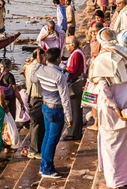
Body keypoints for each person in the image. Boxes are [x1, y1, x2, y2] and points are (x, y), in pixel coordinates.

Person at [91, 28, 127, 189]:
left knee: (111, 146)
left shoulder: (102, 59)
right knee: (125, 145)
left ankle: (114, 182)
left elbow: (103, 88)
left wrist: (114, 106)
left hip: (111, 111)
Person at [34, 47, 73, 179]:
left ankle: (43, 165)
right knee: (52, 139)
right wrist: (69, 117)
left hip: (45, 107)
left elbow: (33, 79)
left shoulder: (41, 70)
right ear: (57, 59)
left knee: (47, 136)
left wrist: (39, 63)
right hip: (56, 109)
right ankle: (47, 168)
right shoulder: (59, 76)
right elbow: (65, 97)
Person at [63, 36, 87, 140]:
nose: (66, 46)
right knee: (75, 108)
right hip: (76, 82)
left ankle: (74, 133)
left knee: (75, 109)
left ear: (72, 45)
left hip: (76, 83)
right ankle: (75, 131)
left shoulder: (76, 54)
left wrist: (64, 68)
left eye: (67, 44)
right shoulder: (76, 52)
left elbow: (73, 69)